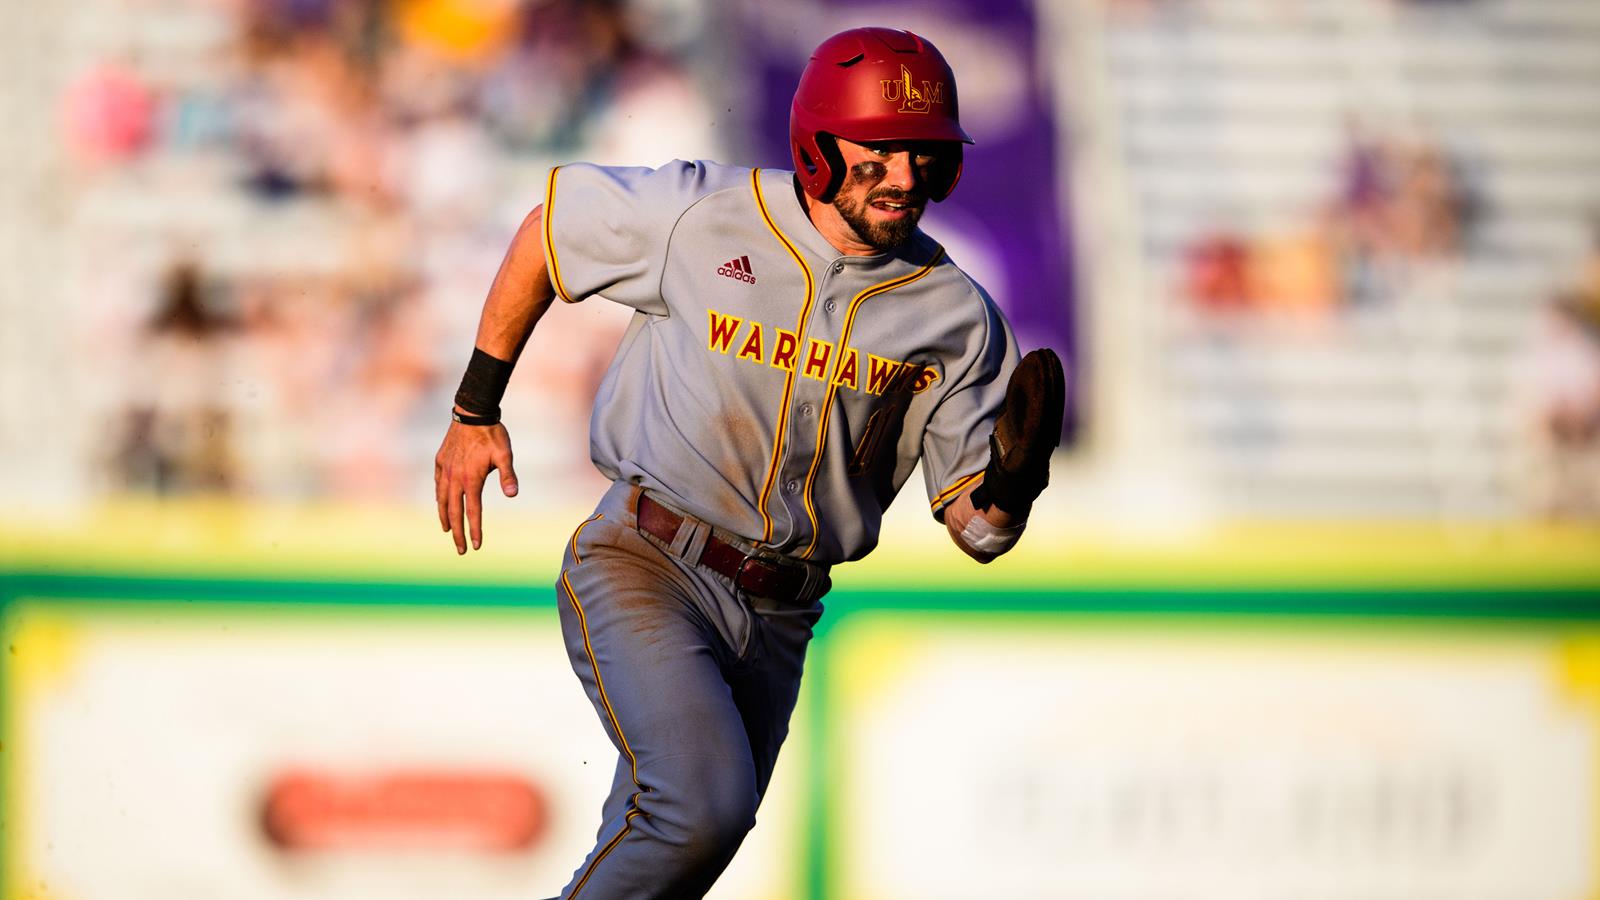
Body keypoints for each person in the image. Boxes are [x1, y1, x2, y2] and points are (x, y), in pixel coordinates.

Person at [433, 26, 1064, 898]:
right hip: (648, 557)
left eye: (924, 152)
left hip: (782, 613)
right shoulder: (705, 213)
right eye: (879, 150)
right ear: (815, 143)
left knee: (675, 849)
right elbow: (551, 233)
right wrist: (475, 407)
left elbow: (976, 529)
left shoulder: (956, 316)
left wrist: (1012, 484)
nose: (907, 174)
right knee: (702, 809)